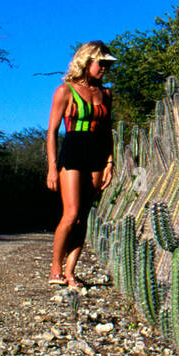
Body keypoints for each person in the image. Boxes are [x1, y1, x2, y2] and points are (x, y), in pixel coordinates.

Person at [46, 40, 116, 288]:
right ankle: (55, 267)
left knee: (84, 217)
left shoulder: (106, 94)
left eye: (107, 65)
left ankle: (70, 272)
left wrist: (110, 163)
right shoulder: (65, 91)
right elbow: (52, 131)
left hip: (97, 155)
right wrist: (52, 167)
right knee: (72, 213)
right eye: (101, 63)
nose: (104, 69)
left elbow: (108, 131)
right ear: (86, 62)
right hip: (73, 152)